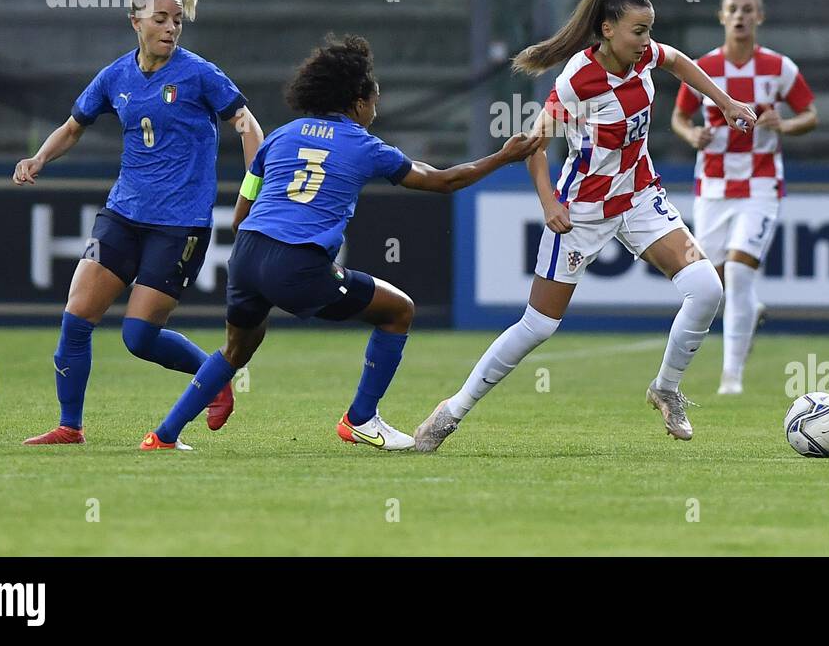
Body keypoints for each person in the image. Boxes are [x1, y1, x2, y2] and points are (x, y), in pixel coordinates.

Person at [140, 34, 545, 450]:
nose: (376, 106)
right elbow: (443, 181)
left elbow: (242, 213)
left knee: (235, 350)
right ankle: (361, 418)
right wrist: (502, 157)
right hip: (296, 264)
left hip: (246, 255)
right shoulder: (365, 145)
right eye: (374, 98)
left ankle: (164, 435)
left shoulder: (281, 135)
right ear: (356, 102)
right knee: (398, 311)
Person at [412, 0, 758, 452]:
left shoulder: (647, 55)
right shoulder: (578, 79)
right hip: (583, 210)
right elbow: (535, 143)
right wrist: (549, 203)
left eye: (649, 30)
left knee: (705, 289)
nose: (647, 41)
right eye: (639, 31)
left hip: (638, 197)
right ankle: (451, 412)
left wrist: (725, 101)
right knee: (539, 326)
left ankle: (666, 388)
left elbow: (677, 61)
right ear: (608, 29)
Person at [14, 0, 263, 444]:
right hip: (123, 214)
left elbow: (246, 123)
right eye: (161, 19)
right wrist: (39, 159)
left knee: (137, 337)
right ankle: (70, 427)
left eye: (178, 21)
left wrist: (256, 188)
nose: (171, 28)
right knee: (75, 319)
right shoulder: (115, 77)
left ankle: (216, 378)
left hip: (180, 224)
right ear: (136, 22)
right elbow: (73, 126)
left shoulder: (199, 74)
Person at [671, 0, 817, 394]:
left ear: (759, 17)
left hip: (761, 186)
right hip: (713, 187)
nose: (740, 16)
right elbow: (679, 118)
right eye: (733, 9)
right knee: (712, 282)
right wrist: (690, 135)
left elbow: (810, 114)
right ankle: (750, 313)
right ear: (721, 16)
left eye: (747, 9)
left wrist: (784, 124)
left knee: (737, 272)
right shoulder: (702, 69)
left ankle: (731, 378)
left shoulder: (779, 68)